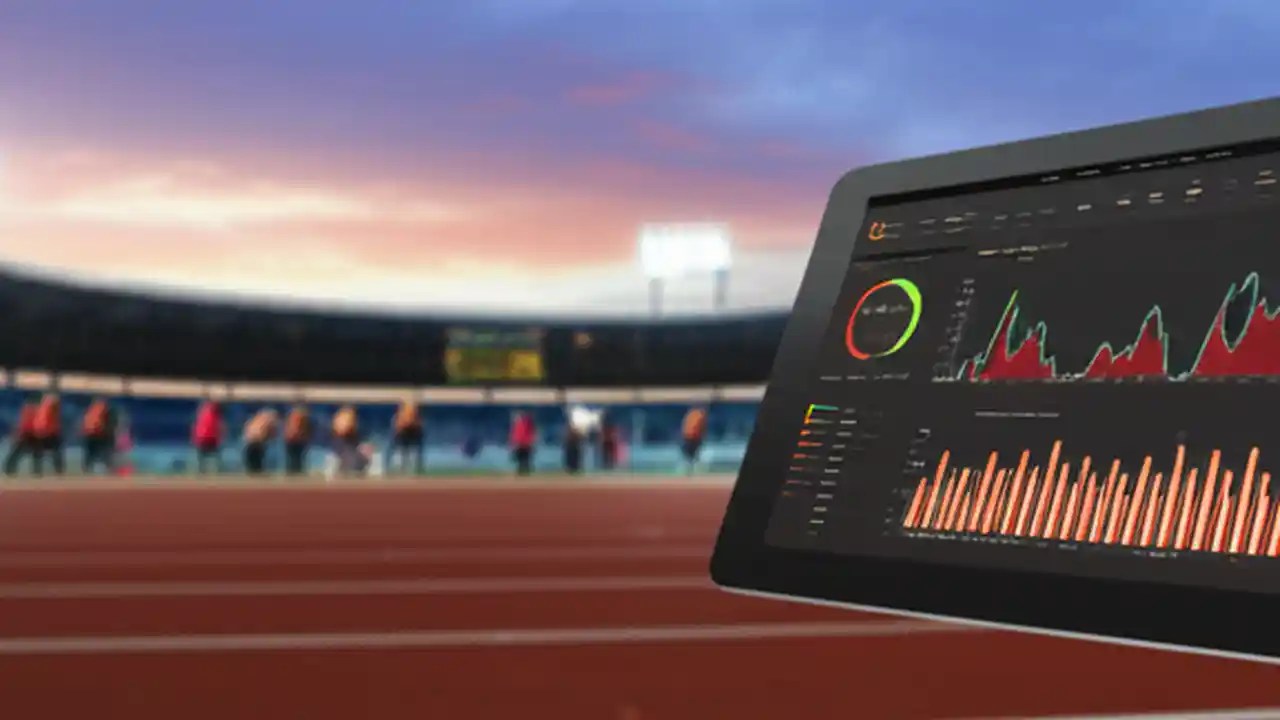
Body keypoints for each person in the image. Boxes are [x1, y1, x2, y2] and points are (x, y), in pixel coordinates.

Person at [3, 395, 38, 476]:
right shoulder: (29, 409)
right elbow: (24, 424)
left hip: (30, 434)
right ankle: (9, 470)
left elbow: (25, 424)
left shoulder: (30, 409)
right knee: (33, 454)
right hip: (29, 434)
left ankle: (9, 470)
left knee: (19, 454)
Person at [81, 396, 116, 474]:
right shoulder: (106, 409)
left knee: (90, 453)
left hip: (90, 434)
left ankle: (86, 469)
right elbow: (111, 423)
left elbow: (85, 422)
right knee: (105, 452)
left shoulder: (90, 409)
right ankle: (107, 467)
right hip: (102, 434)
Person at [32, 392, 63, 475]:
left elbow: (46, 419)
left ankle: (57, 470)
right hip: (44, 432)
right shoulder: (43, 406)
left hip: (47, 432)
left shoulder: (48, 405)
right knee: (49, 452)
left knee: (52, 452)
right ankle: (38, 471)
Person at [390, 399, 425, 475]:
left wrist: (413, 425)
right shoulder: (399, 416)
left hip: (411, 435)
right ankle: (400, 470)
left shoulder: (416, 418)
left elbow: (419, 427)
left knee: (412, 453)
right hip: (403, 436)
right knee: (401, 453)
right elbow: (398, 427)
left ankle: (413, 470)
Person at [242, 408, 279, 475]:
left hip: (259, 443)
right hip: (252, 443)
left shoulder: (263, 423)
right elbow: (248, 433)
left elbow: (265, 433)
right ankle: (252, 471)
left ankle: (258, 471)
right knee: (251, 458)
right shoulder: (252, 422)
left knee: (258, 459)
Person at [192, 400, 224, 473]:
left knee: (206, 457)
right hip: (206, 439)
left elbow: (217, 428)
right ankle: (202, 470)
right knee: (202, 457)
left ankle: (203, 470)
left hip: (207, 439)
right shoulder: (207, 414)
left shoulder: (210, 414)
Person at [330, 405, 361, 476]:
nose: (348, 424)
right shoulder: (324, 443)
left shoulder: (357, 447)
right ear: (335, 420)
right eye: (344, 420)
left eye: (351, 420)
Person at [283, 404, 312, 476]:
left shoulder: (315, 453)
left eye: (301, 423)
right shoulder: (276, 451)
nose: (297, 427)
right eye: (294, 422)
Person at [681, 406, 707, 474]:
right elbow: (700, 428)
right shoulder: (697, 415)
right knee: (692, 454)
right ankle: (692, 468)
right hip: (693, 437)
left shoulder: (692, 415)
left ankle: (691, 468)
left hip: (691, 437)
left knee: (691, 454)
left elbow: (689, 427)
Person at [509, 411, 536, 476]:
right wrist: (514, 443)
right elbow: (515, 434)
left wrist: (531, 442)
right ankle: (521, 471)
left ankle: (525, 470)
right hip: (521, 443)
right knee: (520, 458)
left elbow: (530, 433)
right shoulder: (518, 424)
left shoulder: (527, 423)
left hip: (525, 443)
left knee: (525, 458)